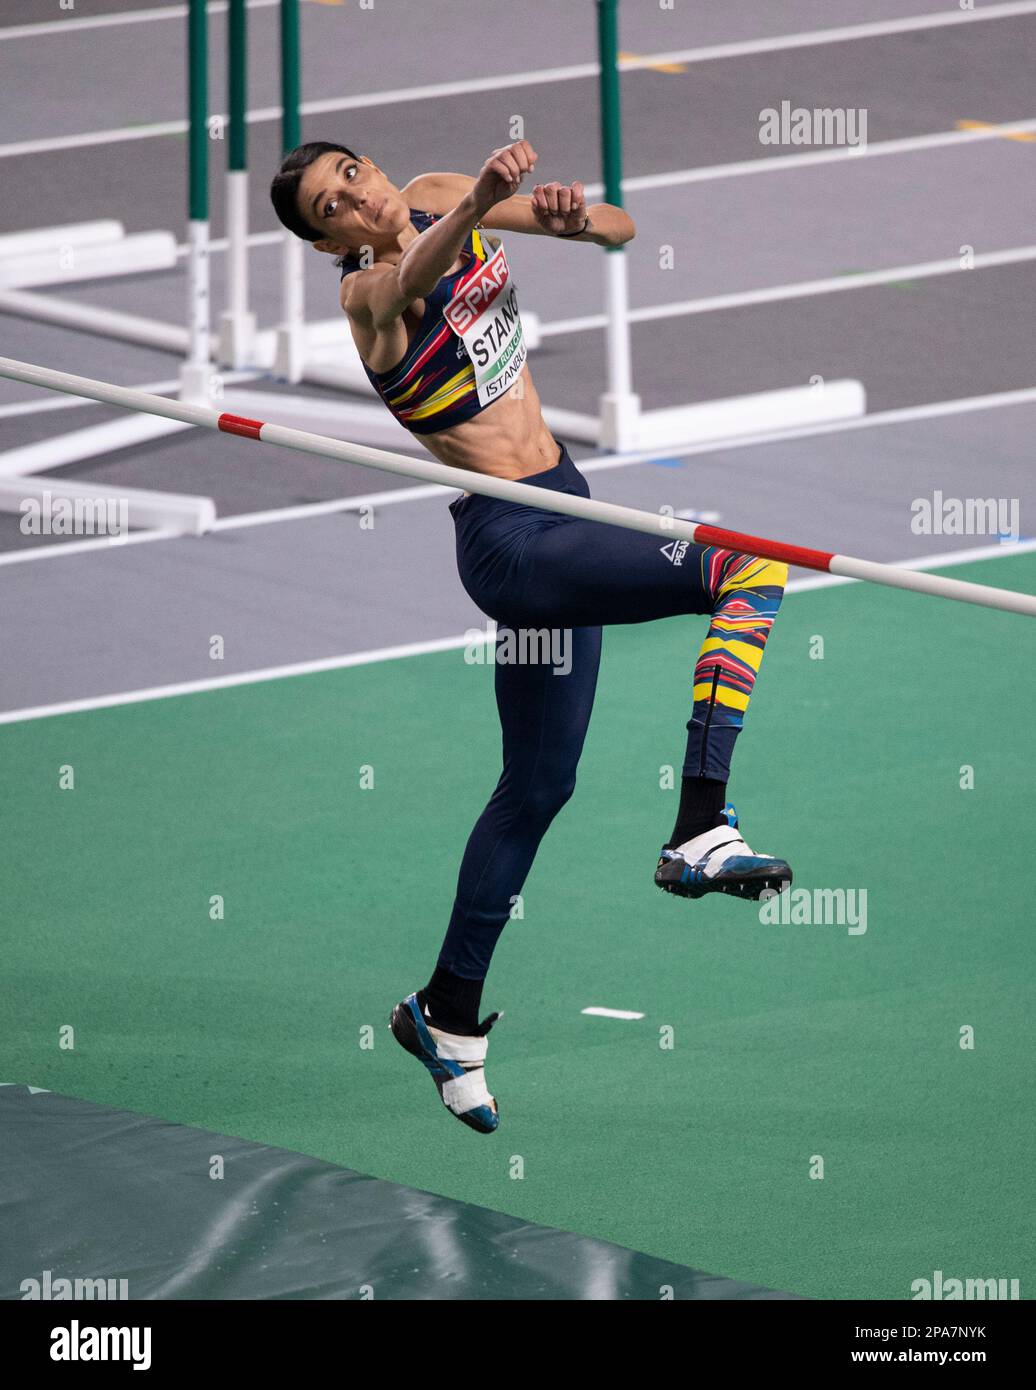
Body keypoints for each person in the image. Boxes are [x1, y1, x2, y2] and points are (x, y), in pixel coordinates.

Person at [270, 139, 791, 1134]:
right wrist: (482, 203)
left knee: (538, 786)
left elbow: (616, 231)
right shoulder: (366, 297)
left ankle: (445, 1012)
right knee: (746, 568)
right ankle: (698, 827)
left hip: (569, 506)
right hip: (511, 545)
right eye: (328, 206)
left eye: (351, 172)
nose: (354, 196)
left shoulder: (435, 193)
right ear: (323, 239)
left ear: (373, 165)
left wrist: (566, 214)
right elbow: (420, 270)